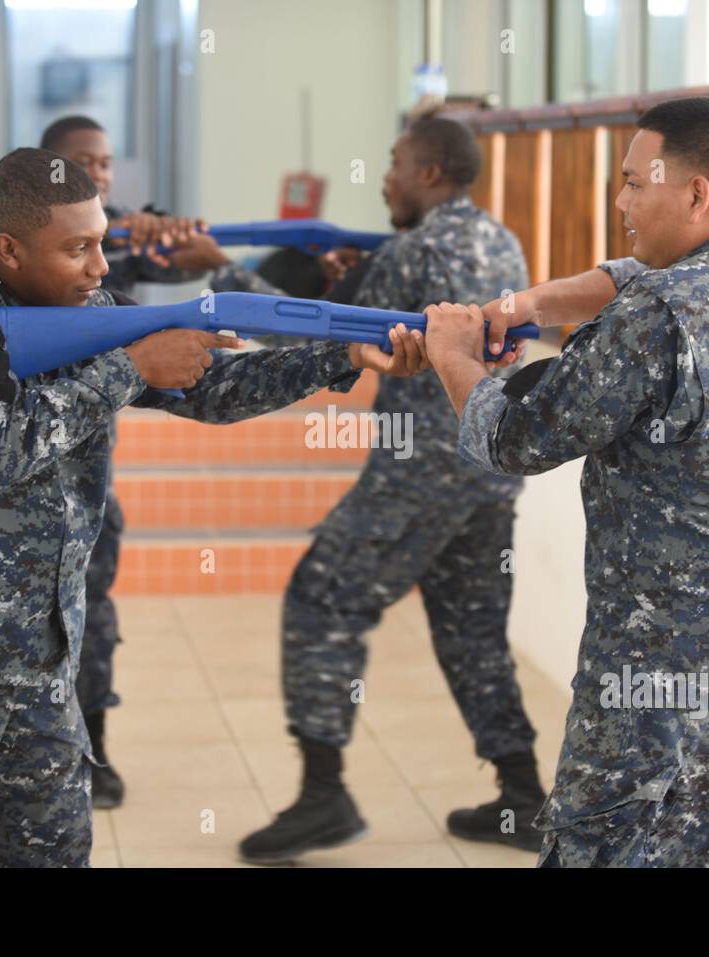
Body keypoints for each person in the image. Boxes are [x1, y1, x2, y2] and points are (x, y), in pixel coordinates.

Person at [0, 146, 429, 867]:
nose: (100, 268)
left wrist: (343, 356)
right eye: (76, 249)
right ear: (8, 249)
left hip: (39, 666)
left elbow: (214, 389)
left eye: (102, 241)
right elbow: (5, 446)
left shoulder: (86, 310)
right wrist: (131, 367)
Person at [423, 96, 709, 867]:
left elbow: (516, 438)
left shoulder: (658, 316)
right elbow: (636, 275)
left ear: (695, 193)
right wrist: (533, 303)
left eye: (635, 182)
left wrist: (452, 353)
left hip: (662, 672)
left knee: (604, 848)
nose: (620, 202)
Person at [168, 116, 547, 864]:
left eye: (396, 163)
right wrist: (352, 274)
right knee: (472, 629)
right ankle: (526, 795)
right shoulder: (500, 240)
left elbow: (305, 334)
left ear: (430, 175)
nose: (385, 177)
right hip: (489, 465)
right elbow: (358, 301)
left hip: (422, 471)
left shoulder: (412, 251)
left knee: (322, 594)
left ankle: (322, 794)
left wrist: (217, 264)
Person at [37, 114, 204, 808]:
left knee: (92, 616)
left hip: (85, 489)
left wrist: (201, 251)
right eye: (84, 162)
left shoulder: (127, 233)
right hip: (26, 478)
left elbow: (190, 261)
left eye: (106, 163)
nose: (100, 174)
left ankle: (94, 749)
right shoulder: (24, 247)